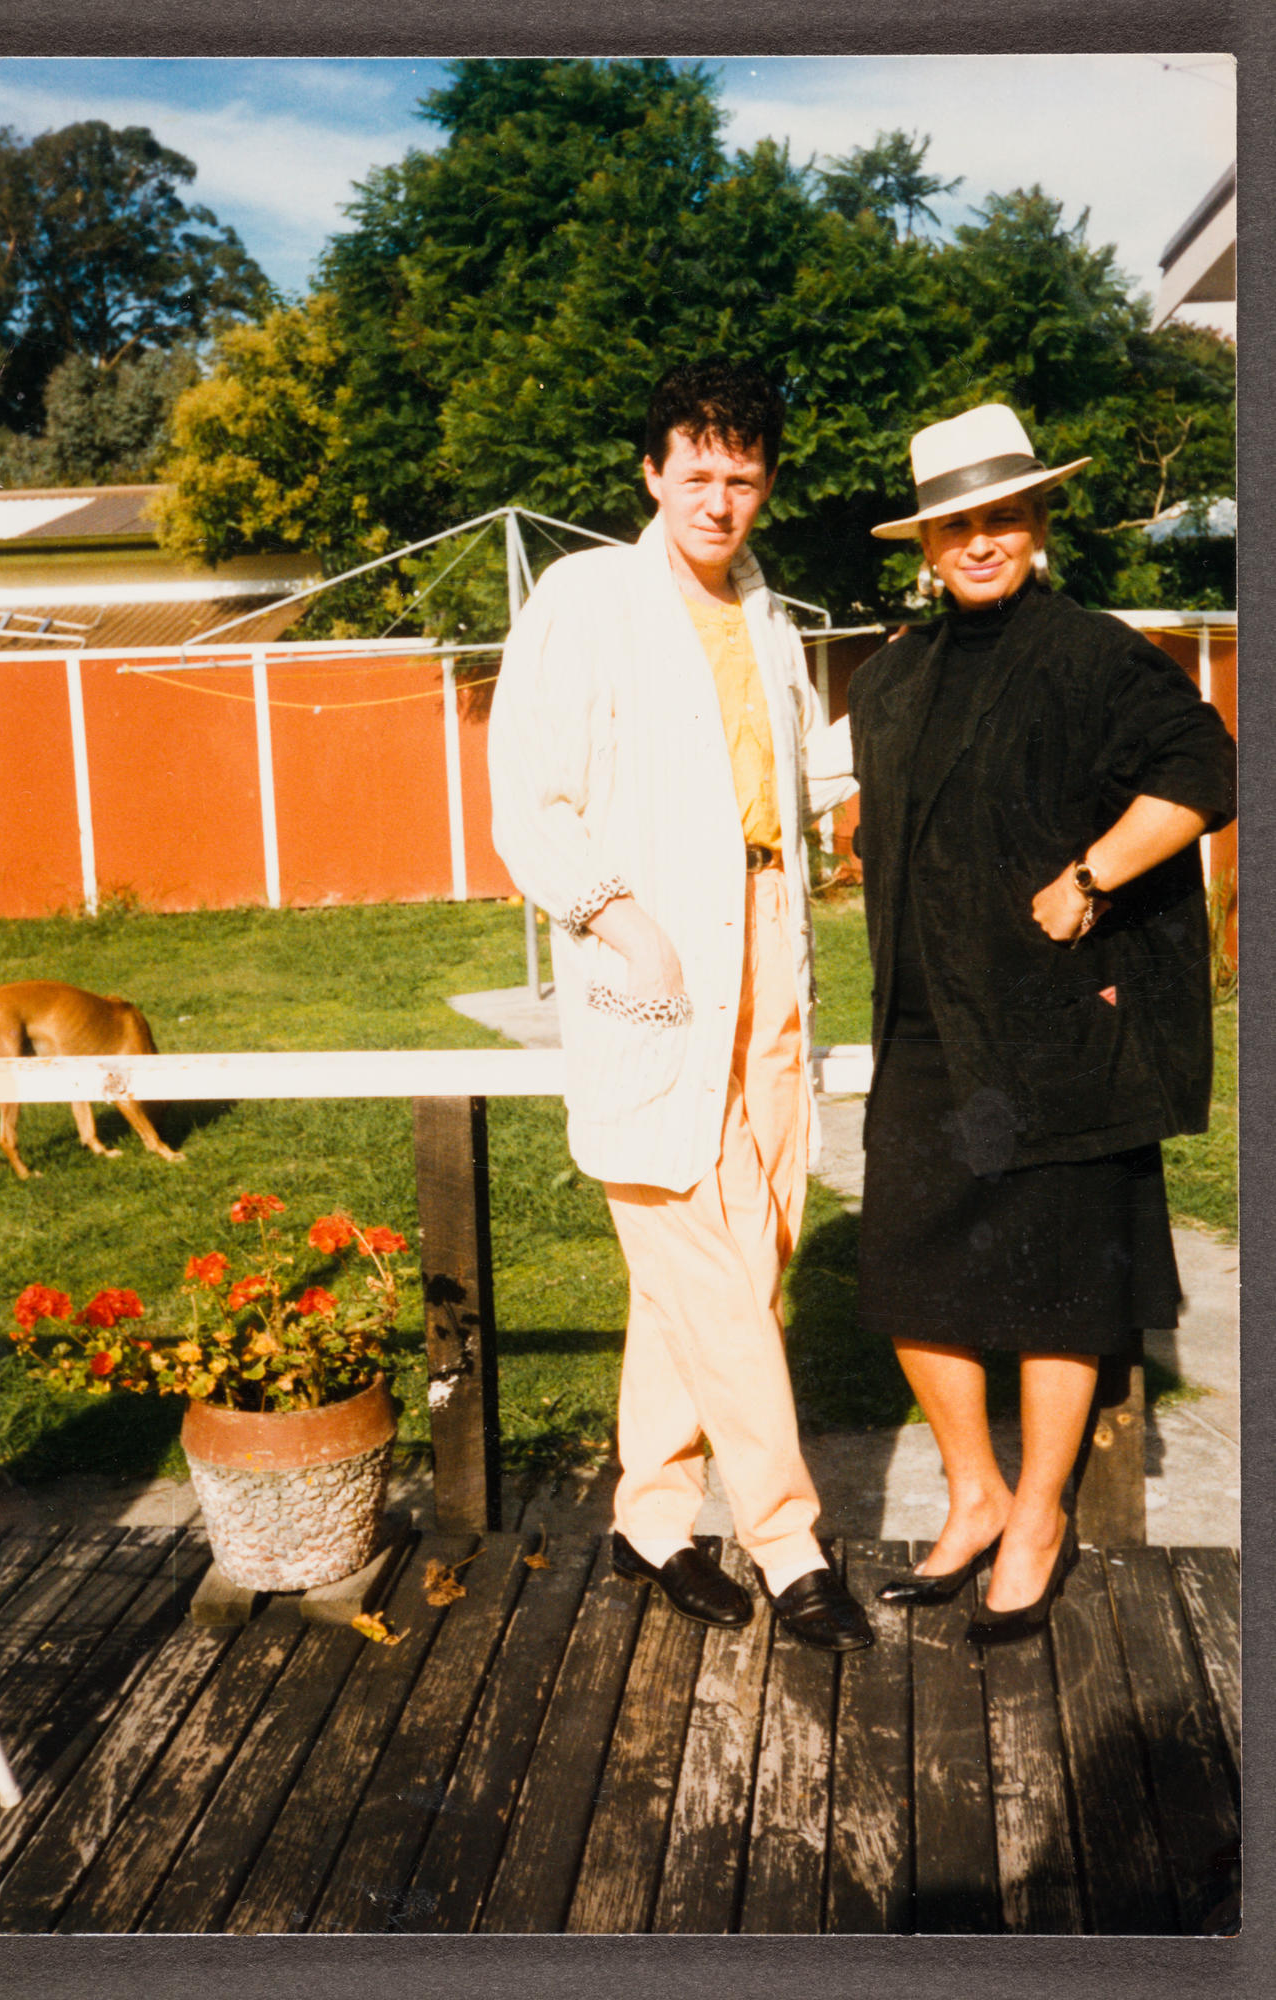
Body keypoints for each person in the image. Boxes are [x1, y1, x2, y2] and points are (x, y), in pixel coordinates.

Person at [489, 359, 871, 1651]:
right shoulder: (586, 597)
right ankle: (787, 1538)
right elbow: (527, 796)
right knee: (702, 1253)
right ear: (650, 472)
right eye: (696, 472)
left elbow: (796, 779)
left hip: (770, 949)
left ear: (766, 485)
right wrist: (622, 924)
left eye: (742, 477)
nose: (719, 499)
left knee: (741, 1252)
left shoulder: (767, 616)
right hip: (653, 954)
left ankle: (648, 1521)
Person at [849, 403, 1236, 1640]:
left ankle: (1036, 1516)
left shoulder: (1090, 654)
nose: (981, 540)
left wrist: (1088, 877)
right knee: (912, 1266)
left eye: (1003, 515)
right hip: (925, 1020)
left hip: (1055, 1017)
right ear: (926, 542)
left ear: (1037, 521)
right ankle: (972, 1492)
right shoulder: (890, 675)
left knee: (1059, 1275)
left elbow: (1206, 770)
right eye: (957, 522)